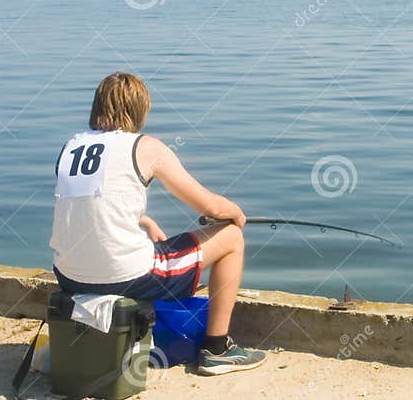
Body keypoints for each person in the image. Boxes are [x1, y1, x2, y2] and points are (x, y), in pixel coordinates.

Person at [50, 71, 267, 376]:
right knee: (231, 238)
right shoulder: (146, 147)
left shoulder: (71, 147)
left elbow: (91, 204)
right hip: (125, 276)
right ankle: (218, 349)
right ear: (140, 109)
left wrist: (145, 221)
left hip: (69, 278)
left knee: (139, 249)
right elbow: (207, 205)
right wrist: (235, 212)